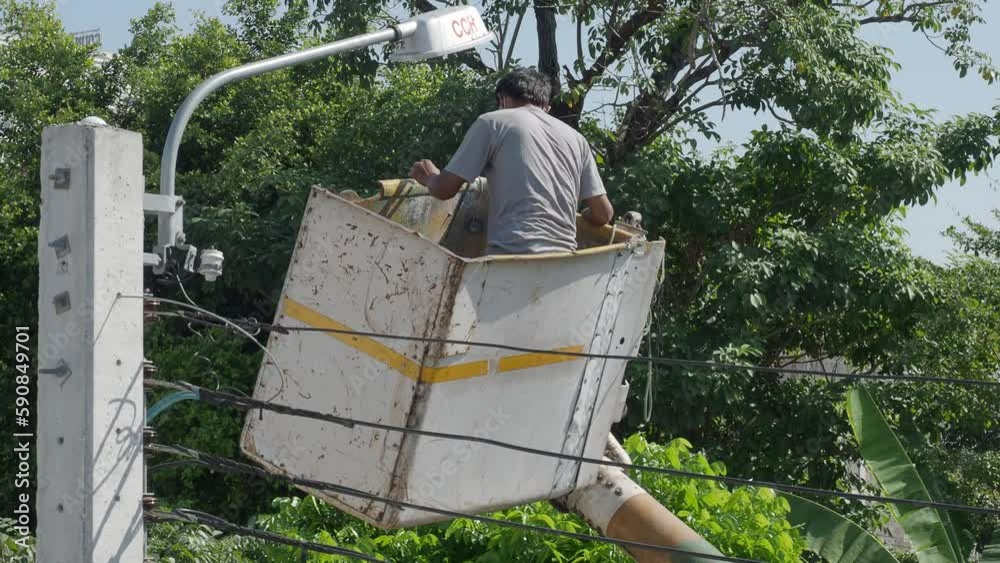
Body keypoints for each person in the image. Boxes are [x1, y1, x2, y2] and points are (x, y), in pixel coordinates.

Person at [409, 67, 614, 255]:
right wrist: (585, 214)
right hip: (565, 262)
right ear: (546, 106)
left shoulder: (493, 122)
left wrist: (429, 177)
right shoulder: (577, 139)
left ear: (502, 99)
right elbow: (604, 214)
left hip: (511, 259)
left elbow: (444, 190)